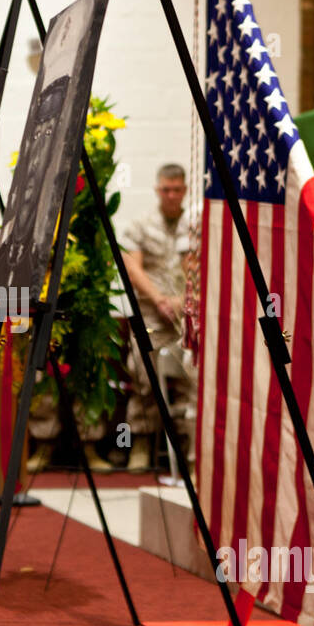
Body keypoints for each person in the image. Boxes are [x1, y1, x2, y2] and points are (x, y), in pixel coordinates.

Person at [120, 164, 197, 470]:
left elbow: (198, 268)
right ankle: (140, 441)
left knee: (191, 377)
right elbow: (133, 267)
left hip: (185, 313)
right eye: (166, 189)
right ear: (157, 189)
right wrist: (159, 299)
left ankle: (187, 449)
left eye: (177, 190)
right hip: (152, 312)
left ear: (185, 190)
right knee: (142, 372)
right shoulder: (141, 225)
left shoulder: (193, 225)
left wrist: (181, 301)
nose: (172, 195)